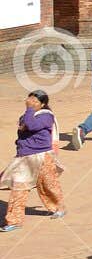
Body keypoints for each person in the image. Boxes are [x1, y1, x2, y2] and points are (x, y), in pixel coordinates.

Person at [3, 90, 66, 231]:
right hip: (24, 157)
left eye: (35, 101)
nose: (30, 102)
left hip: (43, 157)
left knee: (48, 185)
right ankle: (14, 220)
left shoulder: (46, 116)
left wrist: (29, 110)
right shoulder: (26, 115)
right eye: (29, 99)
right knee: (18, 189)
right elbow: (23, 131)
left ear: (42, 104)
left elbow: (32, 126)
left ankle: (58, 207)